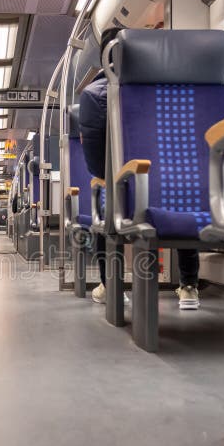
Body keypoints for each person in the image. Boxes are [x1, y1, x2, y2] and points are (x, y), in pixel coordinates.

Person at [78, 28, 201, 310]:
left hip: (127, 191)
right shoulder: (177, 91)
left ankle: (113, 287)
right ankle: (190, 285)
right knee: (186, 199)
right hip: (181, 186)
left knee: (105, 199)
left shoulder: (96, 95)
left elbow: (97, 166)